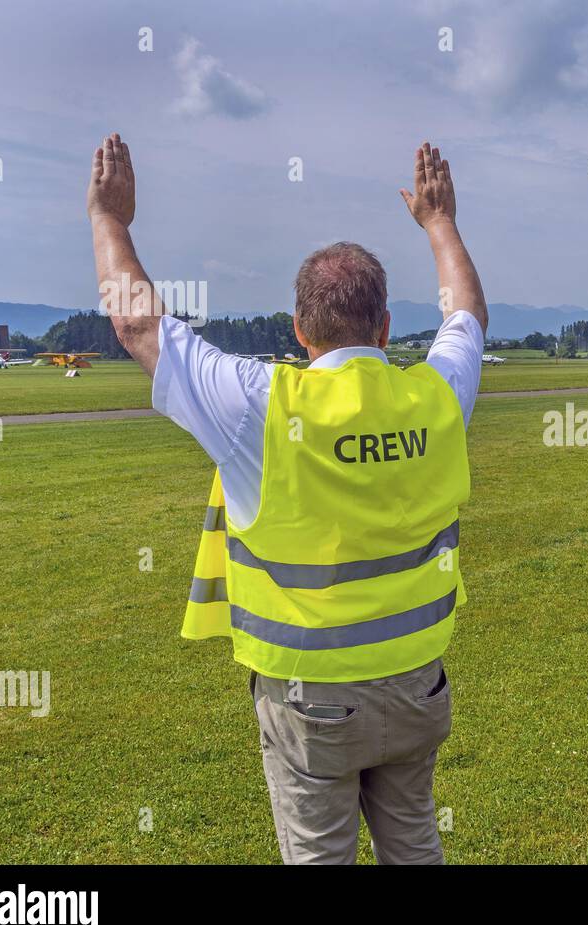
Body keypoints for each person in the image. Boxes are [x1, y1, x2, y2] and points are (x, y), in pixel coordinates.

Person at [87, 132, 488, 864]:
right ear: (386, 328)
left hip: (314, 701)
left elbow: (137, 324)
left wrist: (110, 220)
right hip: (417, 686)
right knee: (416, 843)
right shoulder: (435, 396)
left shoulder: (260, 408)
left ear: (300, 330)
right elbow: (466, 319)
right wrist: (440, 223)